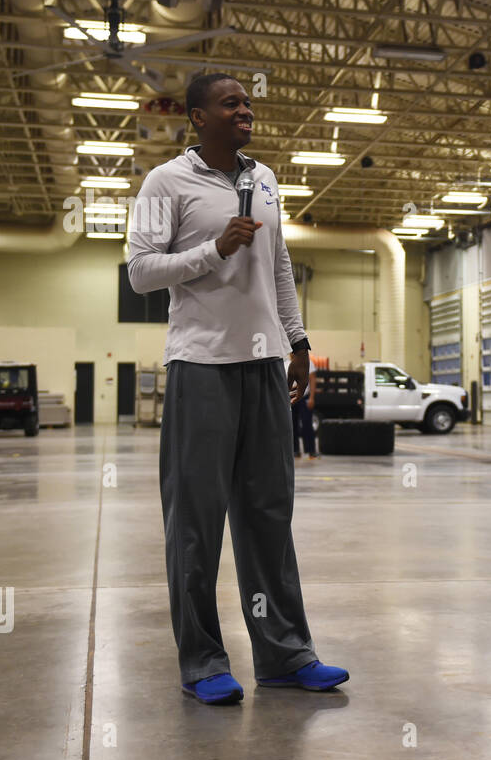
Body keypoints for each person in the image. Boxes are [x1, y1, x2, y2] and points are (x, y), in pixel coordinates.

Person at [127, 72, 348, 705]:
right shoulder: (164, 182)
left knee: (269, 516)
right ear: (197, 117)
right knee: (196, 522)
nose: (245, 110)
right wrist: (211, 249)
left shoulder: (265, 178)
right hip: (201, 366)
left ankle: (284, 654)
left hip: (264, 366)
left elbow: (278, 265)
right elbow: (141, 271)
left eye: (248, 101)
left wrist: (298, 342)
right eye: (231, 103)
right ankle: (201, 661)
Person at [289, 352, 319, 458]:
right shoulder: (287, 363)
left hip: (304, 397)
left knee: (306, 423)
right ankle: (295, 450)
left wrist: (311, 398)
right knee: (292, 424)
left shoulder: (308, 363)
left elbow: (312, 379)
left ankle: (311, 450)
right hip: (291, 398)